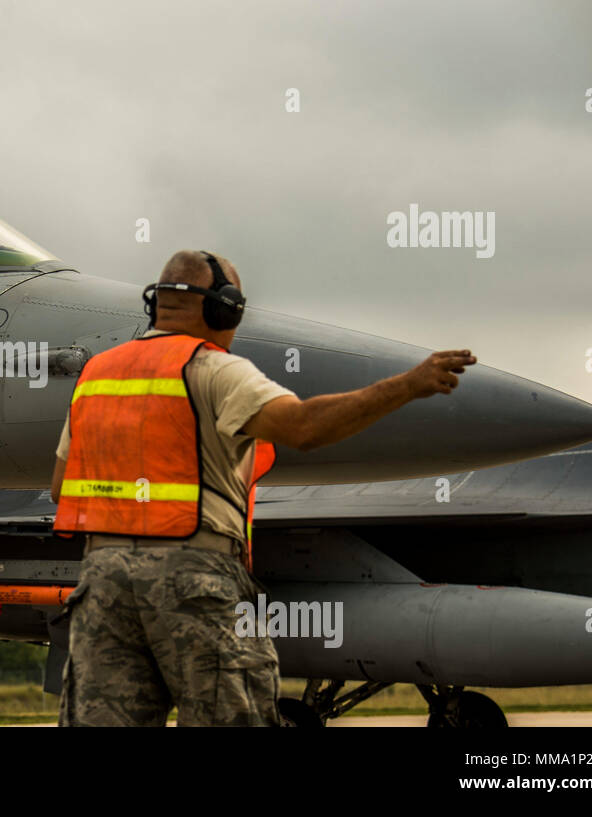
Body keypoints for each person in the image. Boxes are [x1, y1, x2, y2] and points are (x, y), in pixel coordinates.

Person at [50, 249, 476, 726]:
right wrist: (407, 386)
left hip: (101, 583)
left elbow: (59, 488)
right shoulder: (213, 369)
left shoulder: (97, 373)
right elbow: (304, 428)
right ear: (223, 307)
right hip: (193, 577)